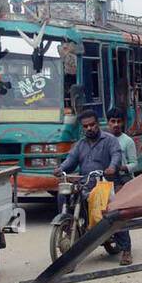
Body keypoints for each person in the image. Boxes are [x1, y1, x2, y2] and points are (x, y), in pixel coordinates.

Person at [55, 110, 130, 264]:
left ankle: (126, 250)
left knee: (115, 213)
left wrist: (112, 167)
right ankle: (69, 227)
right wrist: (61, 169)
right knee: (63, 195)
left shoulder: (110, 140)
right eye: (86, 126)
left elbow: (116, 155)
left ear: (97, 124)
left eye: (92, 125)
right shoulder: (80, 144)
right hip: (85, 184)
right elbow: (70, 161)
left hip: (106, 184)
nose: (89, 128)